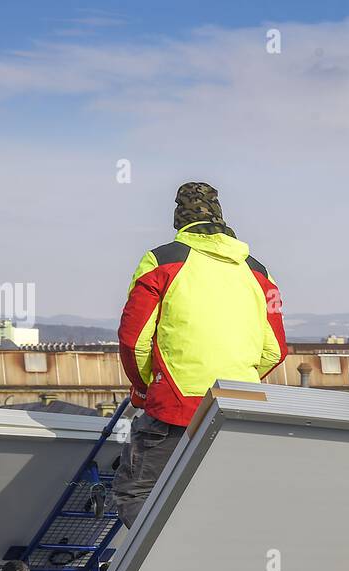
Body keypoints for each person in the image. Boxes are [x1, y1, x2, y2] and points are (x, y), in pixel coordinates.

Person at [113, 182, 286, 527]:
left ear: (179, 220)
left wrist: (146, 385)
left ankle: (155, 565)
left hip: (178, 403)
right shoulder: (259, 271)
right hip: (241, 404)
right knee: (223, 493)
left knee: (137, 491)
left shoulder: (160, 261)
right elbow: (275, 350)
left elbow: (134, 340)